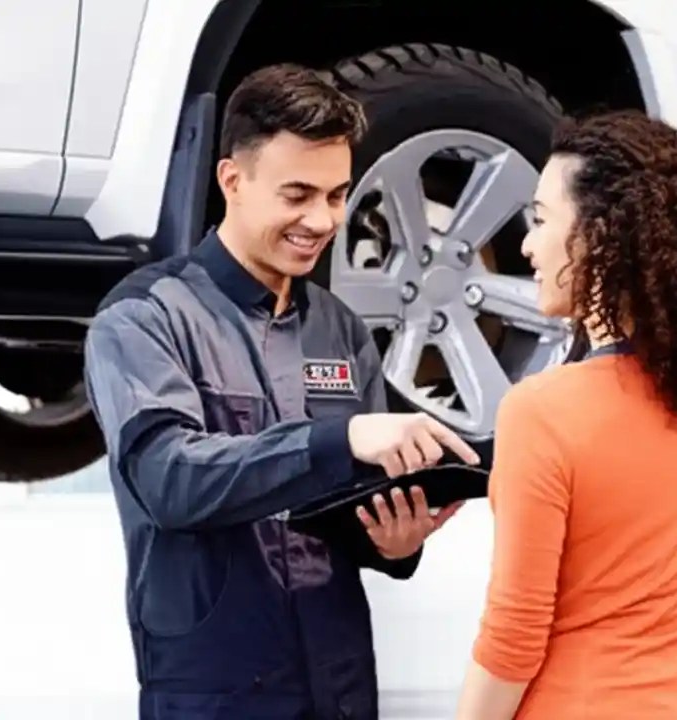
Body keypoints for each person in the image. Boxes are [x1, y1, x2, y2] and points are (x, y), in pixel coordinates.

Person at [83, 63, 479, 720]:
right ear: (232, 181)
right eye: (297, 194)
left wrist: (392, 544)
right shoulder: (146, 317)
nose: (321, 220)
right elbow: (170, 481)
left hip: (339, 684)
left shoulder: (339, 328)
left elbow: (349, 506)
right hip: (218, 690)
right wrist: (341, 438)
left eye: (336, 194)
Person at [455, 109, 677, 720]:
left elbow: (516, 633)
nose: (525, 245)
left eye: (541, 221)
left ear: (599, 238)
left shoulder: (541, 413)